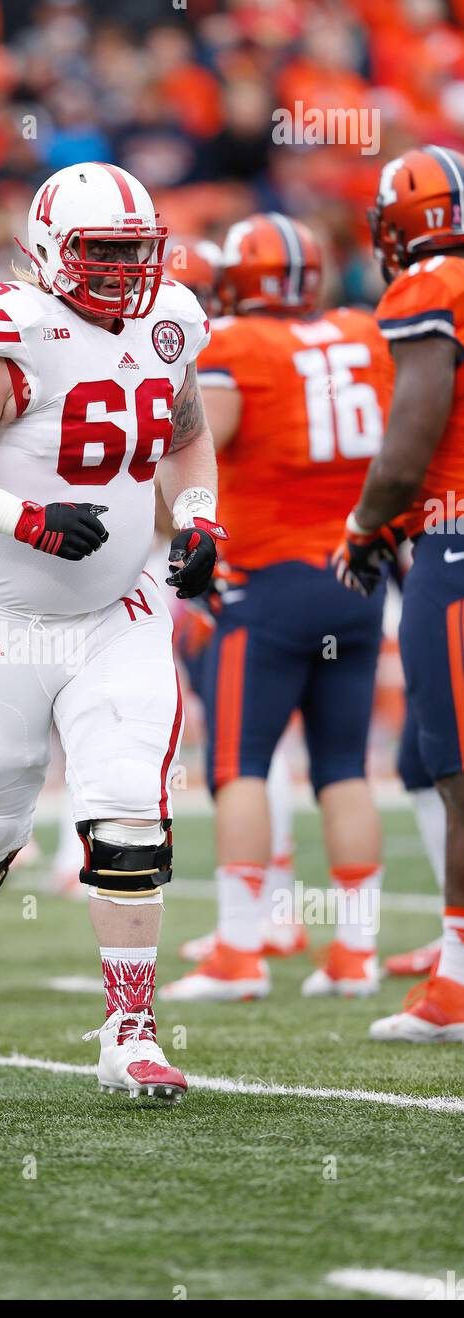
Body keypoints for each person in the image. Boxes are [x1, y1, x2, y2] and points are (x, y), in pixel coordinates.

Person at [0, 161, 226, 1105]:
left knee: (129, 811)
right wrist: (24, 516)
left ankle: (131, 1028)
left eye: (136, 252)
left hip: (116, 614)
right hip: (1, 618)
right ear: (47, 251)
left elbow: (185, 431)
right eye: (102, 253)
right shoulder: (10, 329)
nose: (124, 271)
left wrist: (197, 515)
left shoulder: (172, 323)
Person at [164, 214, 392, 1003]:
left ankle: (239, 950)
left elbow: (199, 441)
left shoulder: (236, 345)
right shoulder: (365, 332)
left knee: (240, 766)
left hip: (269, 584)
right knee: (343, 767)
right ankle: (356, 953)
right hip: (358, 578)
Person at [335, 144, 464, 1041]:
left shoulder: (430, 287)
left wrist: (366, 523)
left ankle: (456, 984)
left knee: (458, 773)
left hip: (454, 542)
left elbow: (412, 436)